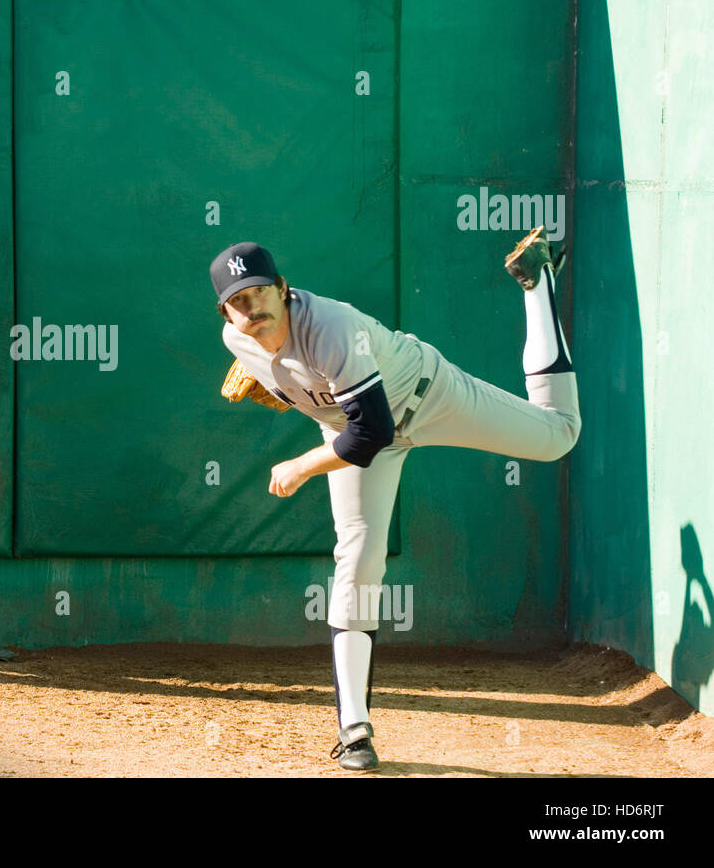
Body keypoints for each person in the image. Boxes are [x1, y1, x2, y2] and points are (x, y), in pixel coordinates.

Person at [209, 228, 580, 771]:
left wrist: (300, 466)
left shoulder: (331, 326)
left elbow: (370, 434)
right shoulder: (239, 340)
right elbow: (335, 410)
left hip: (424, 398)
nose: (252, 307)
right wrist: (295, 386)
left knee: (559, 435)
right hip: (351, 427)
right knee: (356, 561)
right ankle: (353, 730)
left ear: (283, 288)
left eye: (261, 291)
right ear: (225, 314)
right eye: (237, 302)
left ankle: (536, 283)